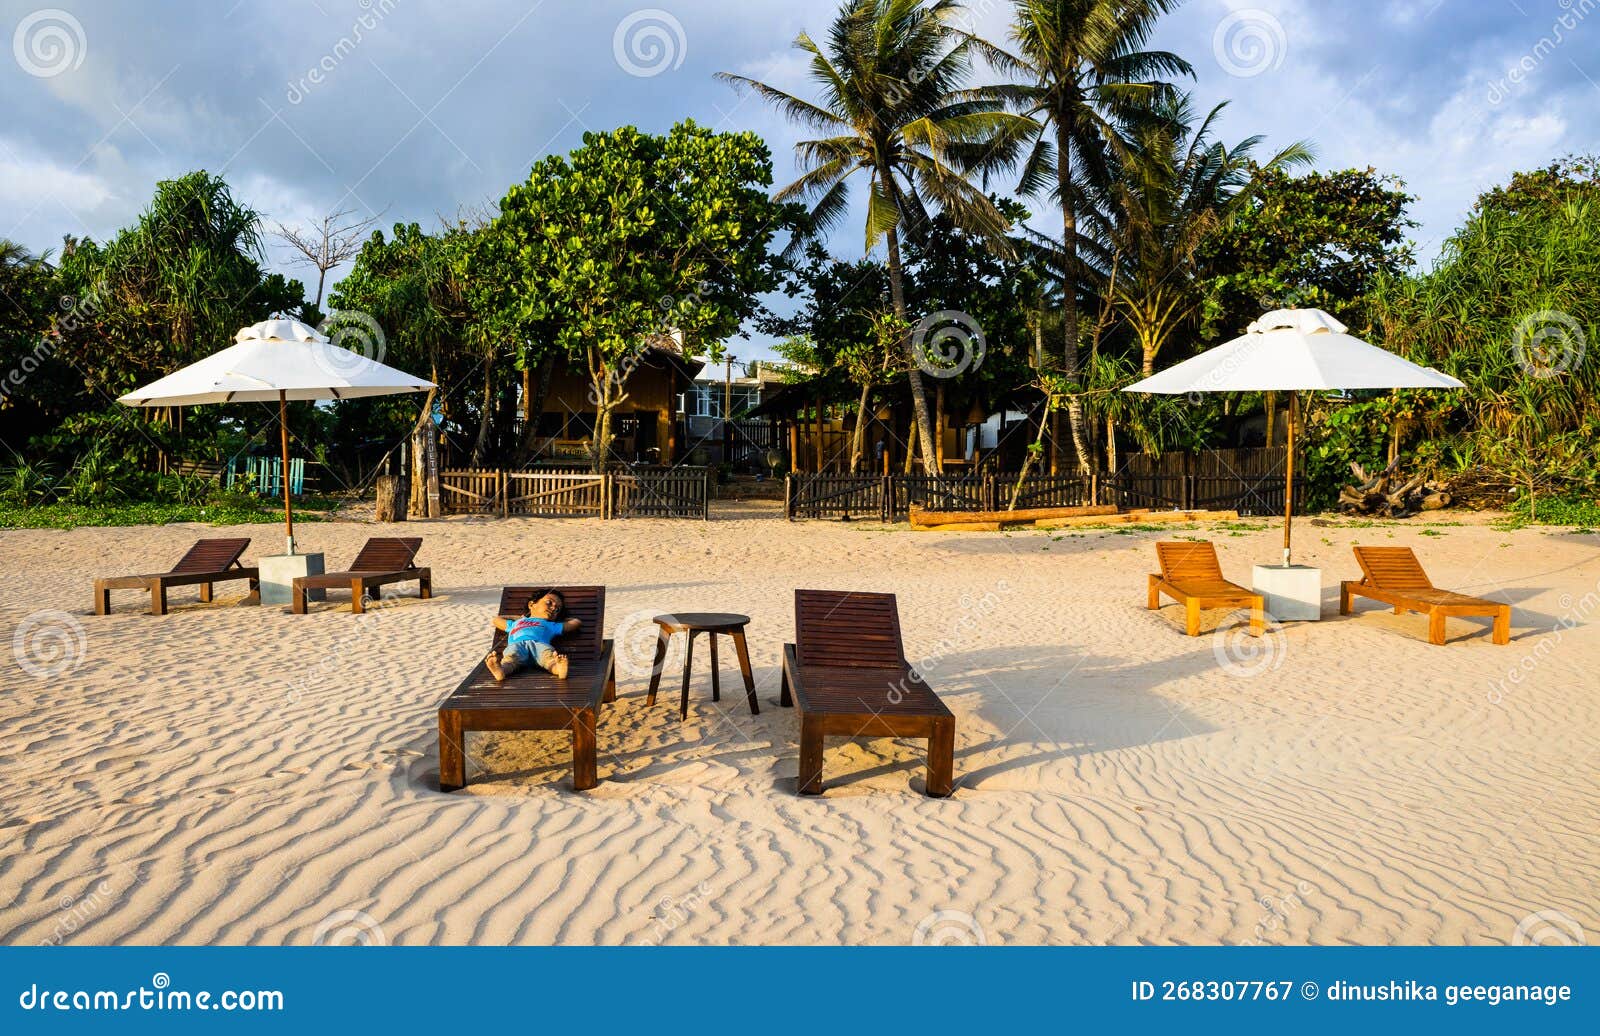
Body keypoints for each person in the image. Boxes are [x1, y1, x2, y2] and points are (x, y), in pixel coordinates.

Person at [485, 590, 580, 681]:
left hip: (539, 645)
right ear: (531, 605)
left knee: (549, 659)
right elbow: (497, 619)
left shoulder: (551, 625)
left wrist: (558, 619)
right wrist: (521, 618)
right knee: (510, 660)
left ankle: (559, 669)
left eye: (557, 609)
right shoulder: (516, 623)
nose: (553, 608)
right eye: (549, 602)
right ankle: (501, 671)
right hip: (518, 645)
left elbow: (576, 622)